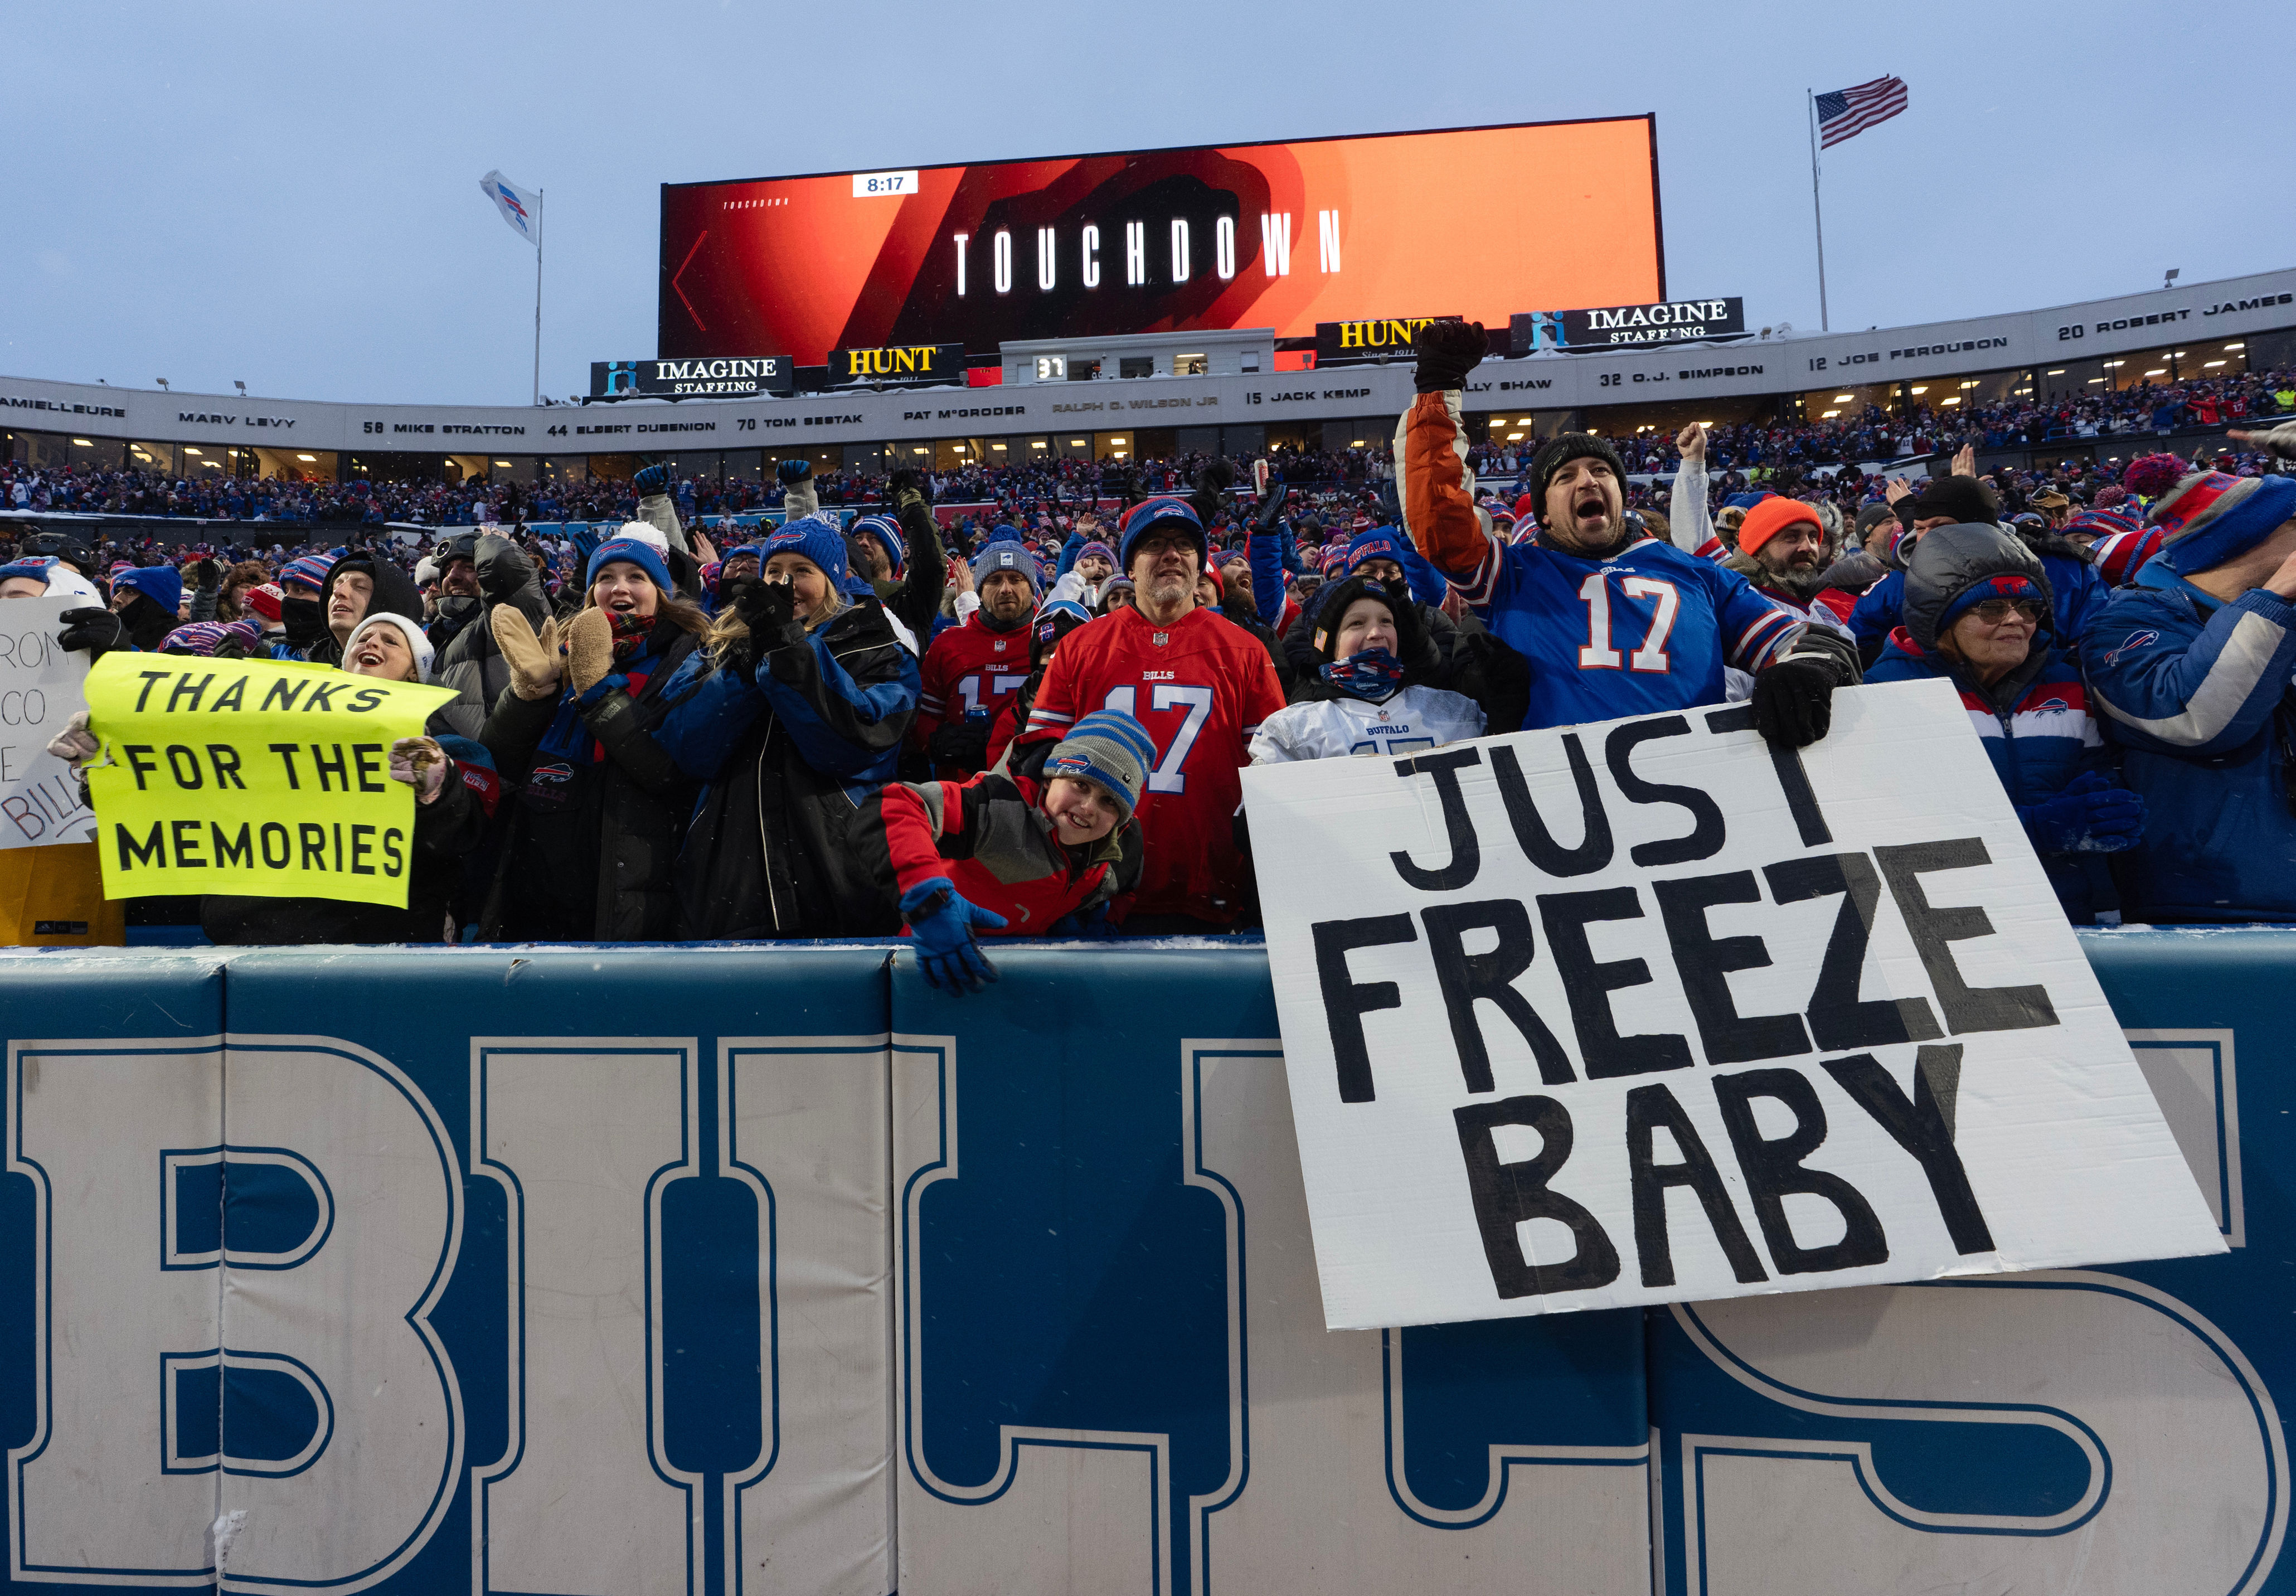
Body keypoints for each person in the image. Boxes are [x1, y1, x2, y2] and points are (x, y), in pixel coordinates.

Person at [1396, 321, 1856, 744]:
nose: (1587, 481)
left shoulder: (1701, 575)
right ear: (1545, 516)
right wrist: (1440, 391)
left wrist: (1805, 669)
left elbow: (1797, 638)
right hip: (1564, 799)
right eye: (1565, 477)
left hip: (1705, 787)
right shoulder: (1510, 574)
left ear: (1620, 492)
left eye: (1600, 470)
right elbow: (1437, 516)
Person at [1013, 496, 1285, 932]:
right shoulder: (1079, 647)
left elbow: (1276, 775)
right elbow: (1038, 764)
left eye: (1184, 545)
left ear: (1200, 565)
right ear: (1131, 565)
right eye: (1155, 544)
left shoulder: (1246, 651)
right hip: (1094, 884)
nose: (1172, 554)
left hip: (1213, 884)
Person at [653, 516, 920, 938]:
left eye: (802, 571)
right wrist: (744, 665)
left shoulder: (876, 644)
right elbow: (686, 745)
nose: (784, 583)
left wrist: (787, 651)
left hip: (838, 875)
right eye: (774, 571)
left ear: (833, 579)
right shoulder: (720, 644)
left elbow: (858, 744)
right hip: (727, 878)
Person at [1868, 524, 2140, 923]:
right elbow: (1897, 826)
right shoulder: (1891, 690)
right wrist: (2036, 829)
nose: (2016, 620)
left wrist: (2110, 813)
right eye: (1990, 609)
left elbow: (2097, 778)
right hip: (1953, 924)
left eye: (2029, 607)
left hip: (2068, 916)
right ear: (1939, 618)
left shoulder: (2065, 680)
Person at [197, 613, 501, 944]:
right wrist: (230, 702)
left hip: (379, 943)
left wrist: (440, 789)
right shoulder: (285, 733)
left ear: (416, 670)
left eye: (390, 641)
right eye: (363, 638)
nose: (371, 643)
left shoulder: (450, 746)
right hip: (258, 934)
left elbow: (468, 834)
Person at [2080, 463, 2296, 921]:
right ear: (2247, 537)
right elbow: (2193, 718)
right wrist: (2273, 599)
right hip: (2216, 902)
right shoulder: (2124, 622)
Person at [475, 535, 710, 940]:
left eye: (636, 577)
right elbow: (501, 764)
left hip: (631, 893)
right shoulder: (556, 658)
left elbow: (667, 771)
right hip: (538, 889)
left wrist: (600, 690)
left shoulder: (690, 660)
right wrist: (526, 699)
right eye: (605, 577)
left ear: (662, 594)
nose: (618, 587)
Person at [853, 709, 1154, 988]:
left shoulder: (1124, 845)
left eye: (1109, 801)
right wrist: (929, 902)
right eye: (1080, 785)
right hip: (934, 968)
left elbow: (1124, 891)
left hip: (1027, 983)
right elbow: (895, 806)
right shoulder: (997, 806)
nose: (1088, 807)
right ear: (1050, 779)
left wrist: (1096, 928)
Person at [1249, 575, 1484, 763]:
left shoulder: (1457, 710)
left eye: (1386, 621)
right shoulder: (1291, 730)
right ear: (1328, 645)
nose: (1377, 633)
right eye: (1357, 623)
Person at [915, 540, 1040, 778]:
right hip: (960, 788)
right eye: (994, 580)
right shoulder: (948, 644)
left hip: (1030, 787)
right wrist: (938, 740)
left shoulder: (1050, 642)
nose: (1006, 589)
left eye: (1016, 579)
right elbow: (924, 716)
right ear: (979, 589)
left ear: (1031, 587)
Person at [425, 530, 555, 738]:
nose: (453, 577)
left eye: (469, 568)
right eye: (447, 570)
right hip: (448, 764)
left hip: (497, 764)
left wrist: (490, 541)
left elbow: (503, 563)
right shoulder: (438, 631)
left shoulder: (503, 614)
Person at [310, 551, 424, 667]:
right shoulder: (306, 669)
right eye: (337, 585)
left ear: (391, 605)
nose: (339, 592)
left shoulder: (417, 682)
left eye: (360, 587)